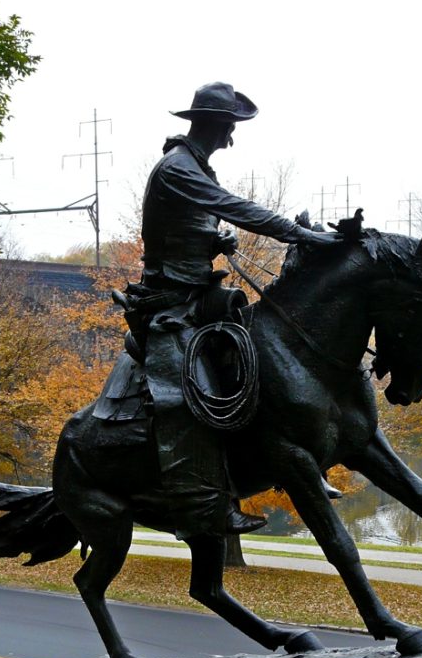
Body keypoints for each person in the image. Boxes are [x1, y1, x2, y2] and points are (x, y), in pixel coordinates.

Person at [135, 82, 340, 539]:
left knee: (259, 361)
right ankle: (207, 495)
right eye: (230, 126)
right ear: (213, 124)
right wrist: (301, 236)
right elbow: (236, 208)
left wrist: (214, 241)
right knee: (188, 392)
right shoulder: (178, 168)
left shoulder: (197, 168)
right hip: (169, 303)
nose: (232, 137)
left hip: (199, 294)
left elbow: (187, 226)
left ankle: (299, 462)